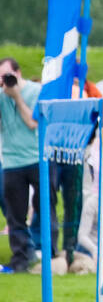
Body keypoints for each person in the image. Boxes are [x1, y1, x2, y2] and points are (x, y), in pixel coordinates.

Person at [0, 58, 47, 272]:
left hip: (36, 157)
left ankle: (47, 252)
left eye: (8, 76)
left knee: (44, 206)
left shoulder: (36, 91)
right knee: (15, 214)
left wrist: (16, 96)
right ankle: (21, 258)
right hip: (11, 161)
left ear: (19, 73)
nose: (6, 81)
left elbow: (32, 123)